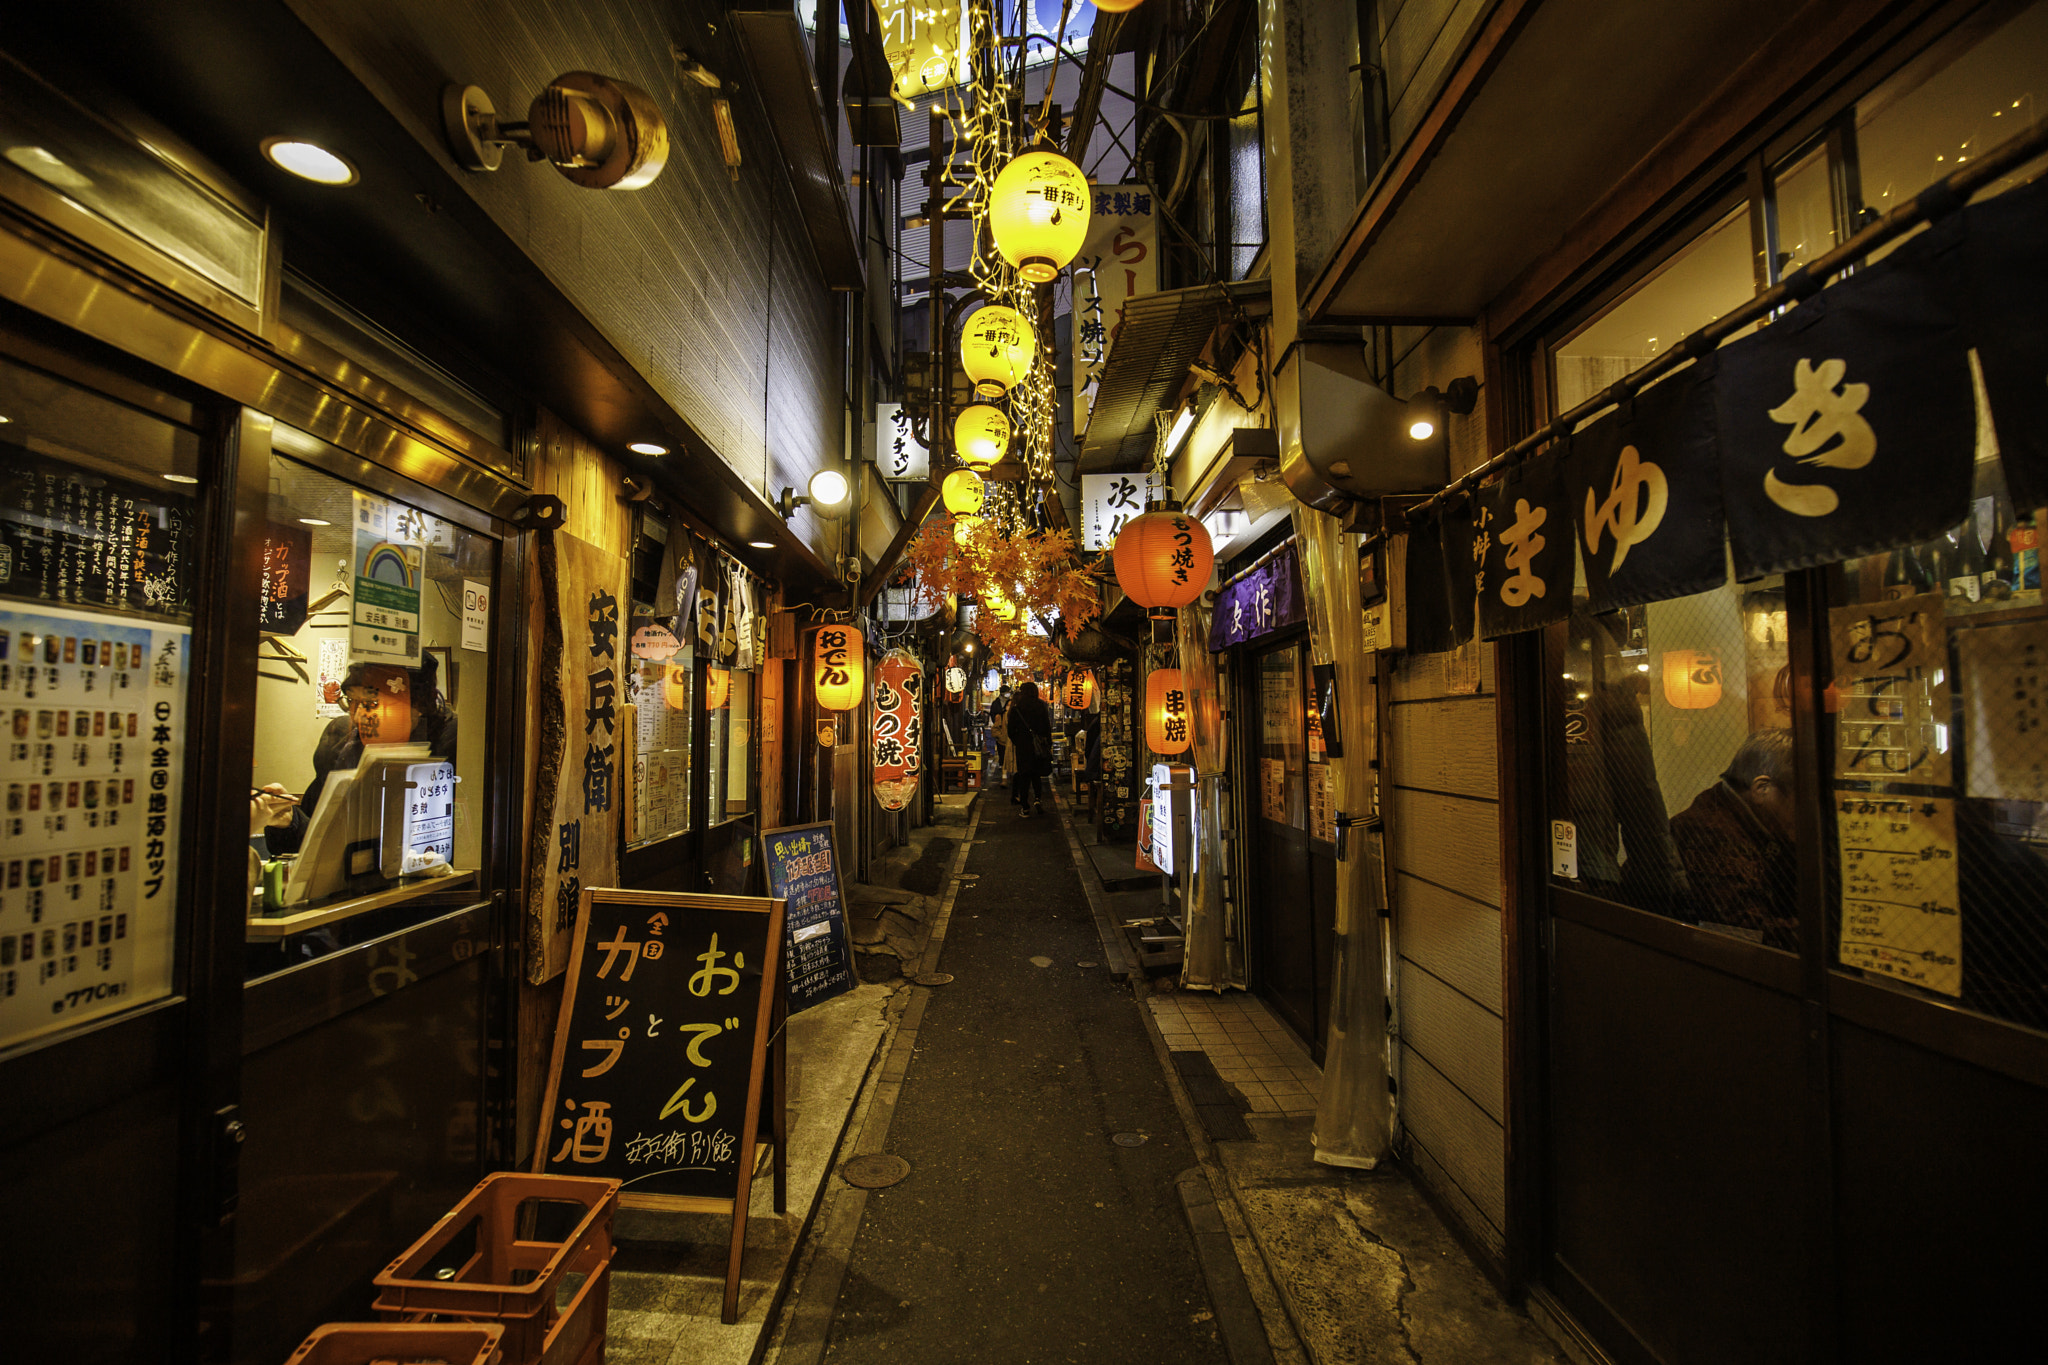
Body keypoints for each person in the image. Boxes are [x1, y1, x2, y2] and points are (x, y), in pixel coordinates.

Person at [252, 657, 458, 856]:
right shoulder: (342, 746)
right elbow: (319, 842)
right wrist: (290, 821)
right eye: (352, 701)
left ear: (417, 706)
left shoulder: (452, 745)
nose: (358, 716)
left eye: (370, 703)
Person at [1669, 729, 1797, 948]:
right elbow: (1743, 933)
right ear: (1761, 789)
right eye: (1799, 800)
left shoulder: (1727, 808)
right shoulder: (1712, 833)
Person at [1006, 679, 1053, 817]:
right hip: (1038, 747)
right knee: (1036, 775)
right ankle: (1038, 799)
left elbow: (1010, 730)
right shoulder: (1041, 706)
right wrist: (1047, 744)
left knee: (1024, 777)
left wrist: (1018, 741)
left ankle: (1025, 807)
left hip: (1023, 748)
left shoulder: (1017, 708)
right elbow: (1047, 727)